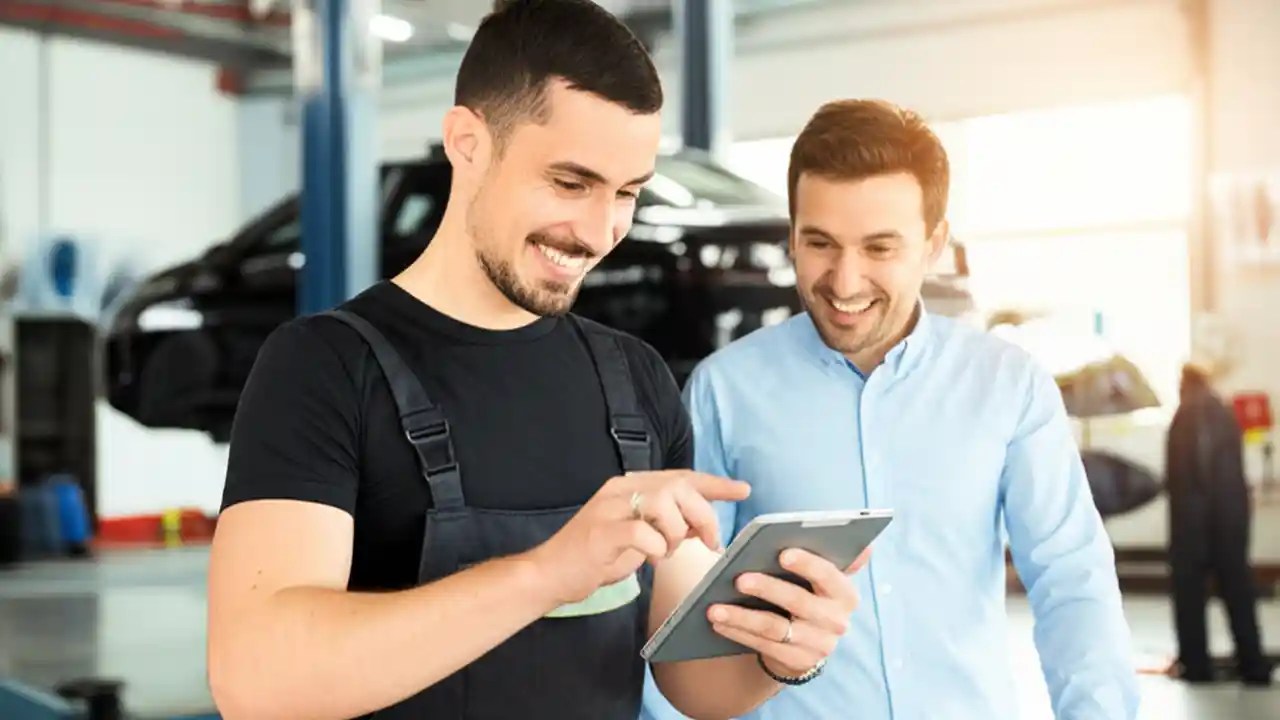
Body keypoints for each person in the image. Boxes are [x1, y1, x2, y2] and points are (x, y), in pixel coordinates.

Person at [205, 2, 865, 719]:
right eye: (571, 183)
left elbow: (694, 681)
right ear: (467, 143)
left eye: (627, 193)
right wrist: (547, 573)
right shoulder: (322, 368)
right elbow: (257, 683)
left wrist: (781, 650)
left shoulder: (636, 381)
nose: (599, 232)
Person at [642, 99, 1141, 719]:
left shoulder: (1007, 385)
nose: (845, 282)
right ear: (792, 236)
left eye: (879, 248)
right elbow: (686, 616)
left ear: (934, 245)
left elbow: (1071, 582)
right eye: (820, 243)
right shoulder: (724, 391)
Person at [1165, 363, 1271, 686]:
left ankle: (1196, 665)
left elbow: (1191, 473)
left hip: (1194, 521)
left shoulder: (1185, 415)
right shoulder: (1224, 413)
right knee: (1239, 592)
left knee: (1189, 596)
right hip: (1231, 520)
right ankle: (1253, 665)